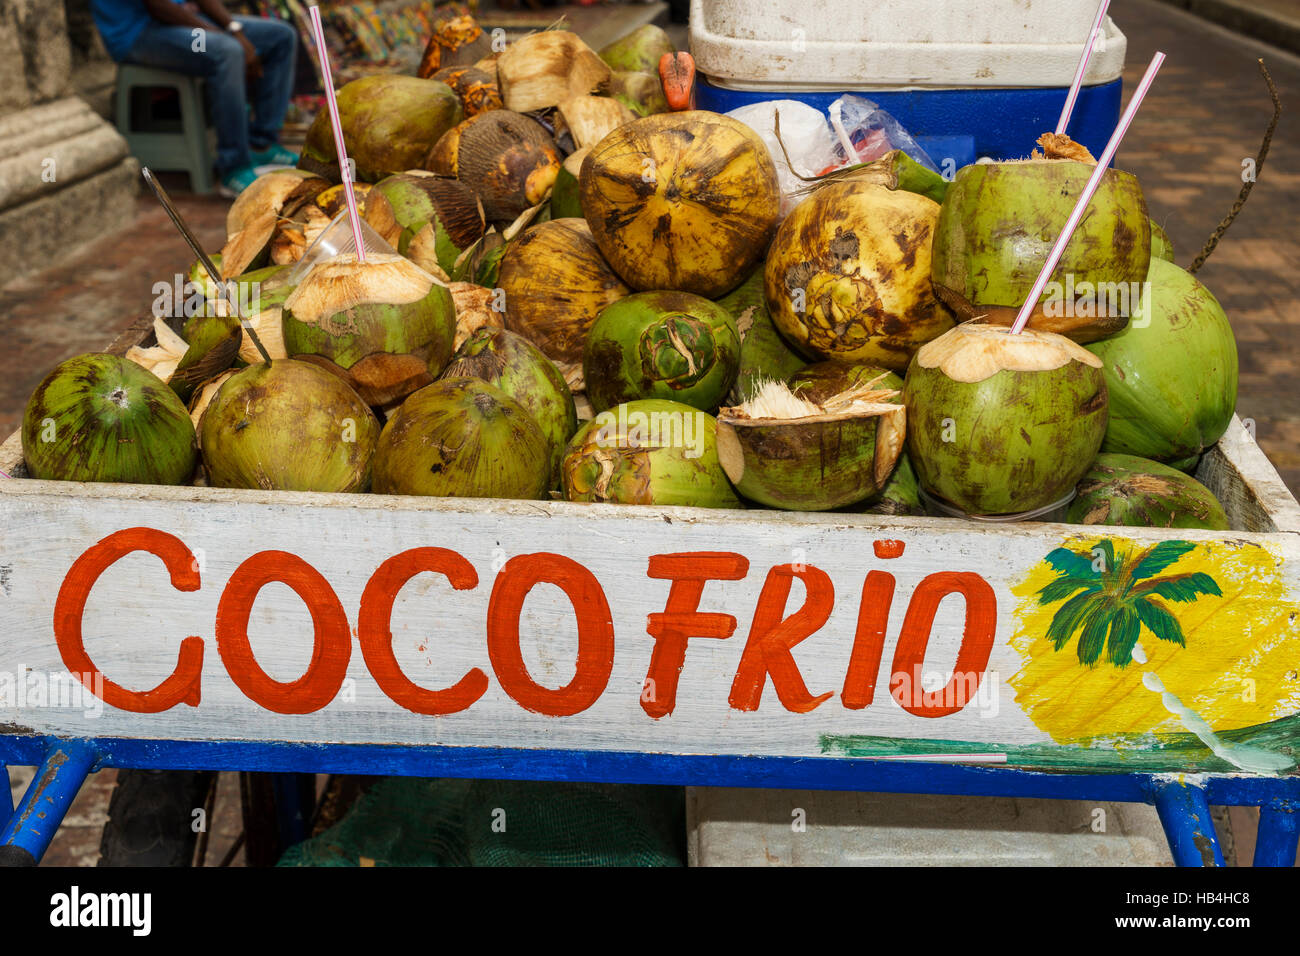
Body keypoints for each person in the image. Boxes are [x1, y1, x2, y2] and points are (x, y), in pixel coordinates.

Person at [92, 0, 300, 197]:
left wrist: (234, 28)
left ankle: (261, 144)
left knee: (281, 36)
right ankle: (234, 166)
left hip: (179, 20)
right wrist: (228, 37)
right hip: (139, 34)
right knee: (228, 52)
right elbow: (158, 6)